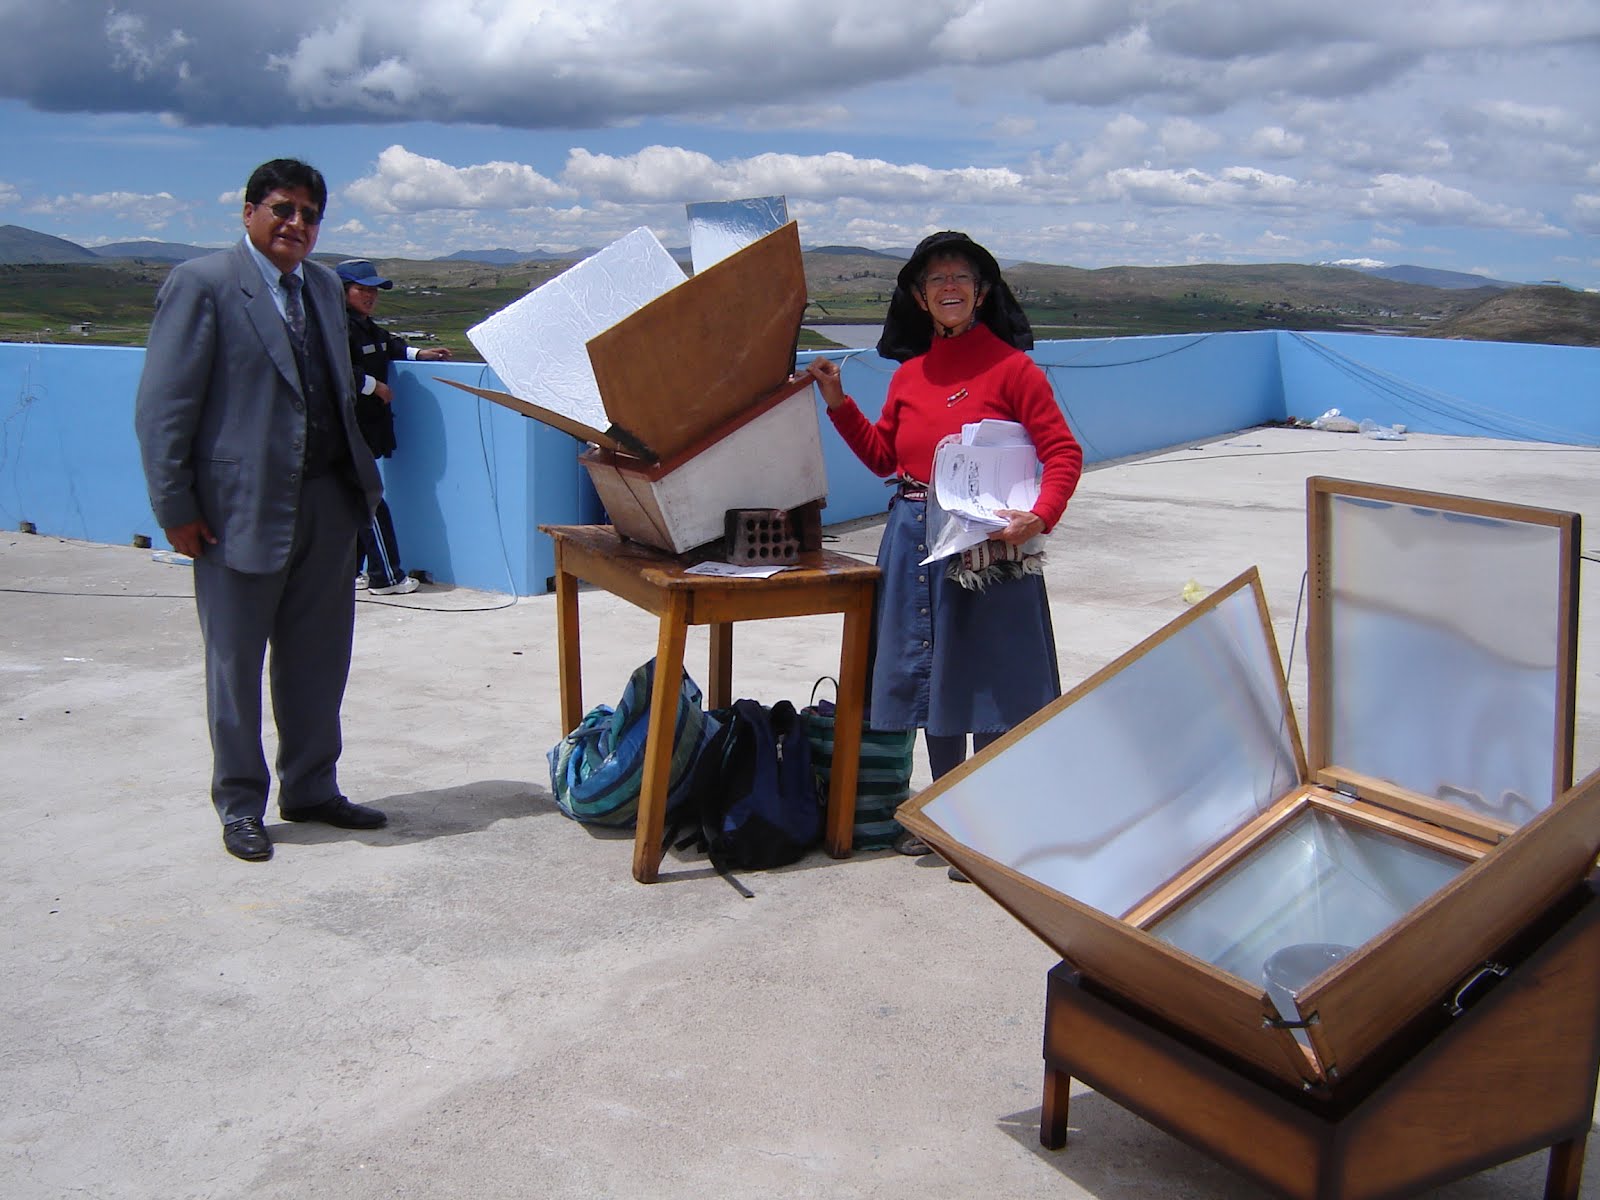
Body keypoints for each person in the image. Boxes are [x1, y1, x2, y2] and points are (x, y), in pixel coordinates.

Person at [805, 231, 1083, 879]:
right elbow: (885, 458)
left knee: (987, 679)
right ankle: (947, 817)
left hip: (990, 540)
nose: (949, 287)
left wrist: (1039, 515)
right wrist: (839, 403)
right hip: (913, 533)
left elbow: (1063, 453)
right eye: (936, 280)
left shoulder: (1014, 370)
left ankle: (987, 825)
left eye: (961, 276)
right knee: (930, 677)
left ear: (982, 293)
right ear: (919, 297)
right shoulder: (908, 375)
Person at [134, 158, 389, 863]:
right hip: (234, 511)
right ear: (249, 212)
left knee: (318, 660)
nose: (296, 225)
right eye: (283, 209)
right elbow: (164, 407)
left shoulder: (324, 287)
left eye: (310, 214)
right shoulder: (204, 284)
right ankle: (241, 803)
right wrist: (174, 506)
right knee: (235, 664)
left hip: (327, 502)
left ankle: (311, 787)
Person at [336, 258, 452, 596]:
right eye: (362, 289)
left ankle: (356, 571)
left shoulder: (365, 326)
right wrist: (375, 386)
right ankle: (386, 577)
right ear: (343, 291)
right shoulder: (335, 327)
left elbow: (391, 345)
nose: (370, 296)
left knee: (356, 500)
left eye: (373, 290)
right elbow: (339, 369)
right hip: (347, 431)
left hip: (365, 431)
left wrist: (421, 354)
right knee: (370, 500)